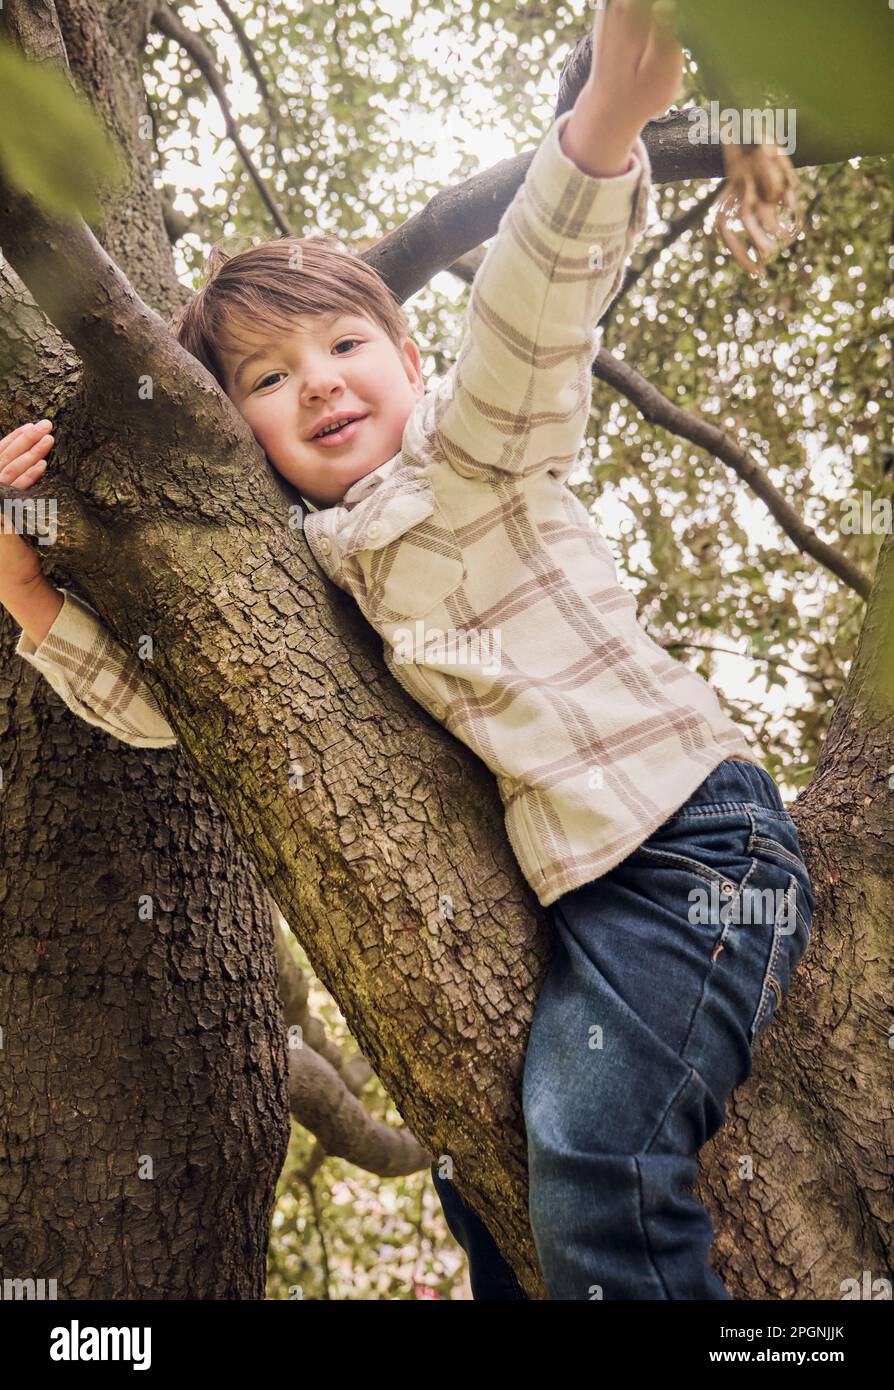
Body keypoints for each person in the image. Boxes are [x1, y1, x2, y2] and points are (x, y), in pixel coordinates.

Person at [0, 0, 816, 1298]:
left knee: (598, 1160)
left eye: (341, 344)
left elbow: (531, 312)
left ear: (409, 353)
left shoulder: (469, 448)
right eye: (263, 379)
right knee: (483, 1192)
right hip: (580, 901)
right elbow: (180, 701)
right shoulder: (316, 570)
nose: (314, 382)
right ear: (238, 439)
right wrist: (29, 586)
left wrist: (603, 121)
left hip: (685, 850)